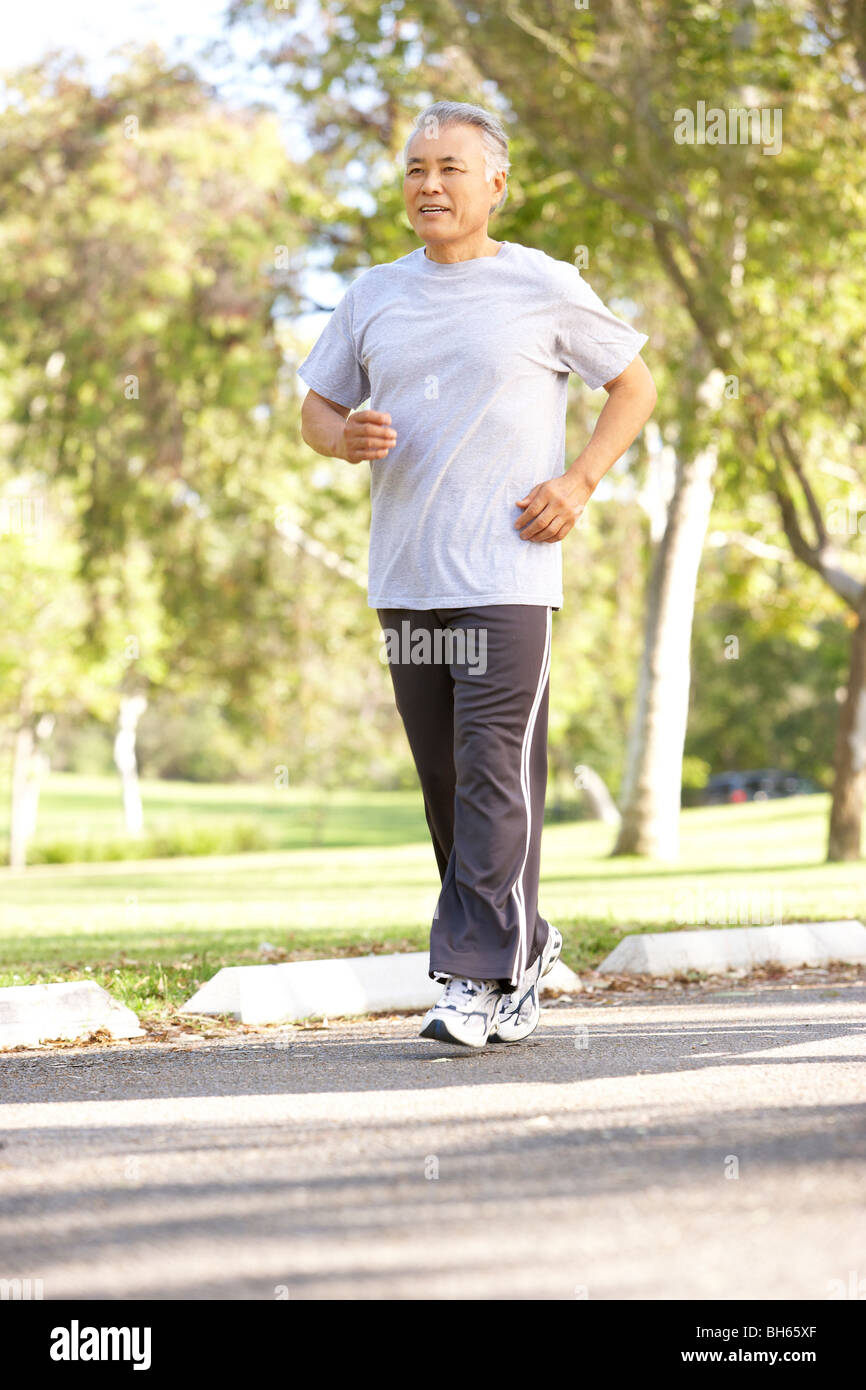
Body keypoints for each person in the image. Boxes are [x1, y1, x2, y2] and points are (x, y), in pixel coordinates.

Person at [298, 100, 657, 1048]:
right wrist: (343, 437)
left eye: (451, 168)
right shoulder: (373, 293)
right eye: (416, 168)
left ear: (495, 184)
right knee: (446, 781)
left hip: (508, 570)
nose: (429, 184)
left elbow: (634, 384)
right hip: (407, 577)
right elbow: (316, 410)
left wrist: (579, 482)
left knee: (495, 771)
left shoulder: (543, 284)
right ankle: (522, 948)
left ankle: (469, 979)